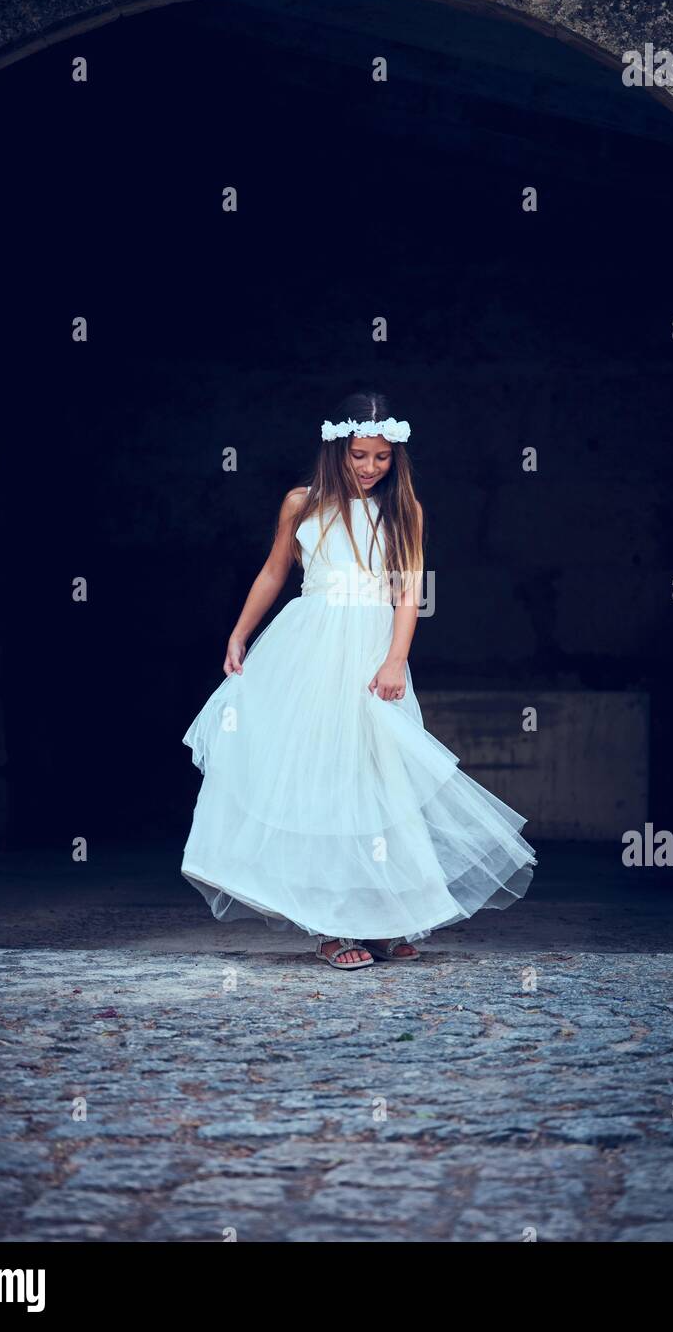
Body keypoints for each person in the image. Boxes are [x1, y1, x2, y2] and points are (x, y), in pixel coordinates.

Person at [180, 390, 537, 969]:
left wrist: (395, 660)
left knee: (379, 780)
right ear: (336, 452)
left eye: (382, 457)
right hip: (310, 648)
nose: (370, 468)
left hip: (373, 652)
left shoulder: (406, 511)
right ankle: (331, 926)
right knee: (323, 779)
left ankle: (388, 918)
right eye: (359, 455)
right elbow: (275, 571)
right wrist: (240, 632)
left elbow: (408, 593)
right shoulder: (302, 503)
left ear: (396, 457)